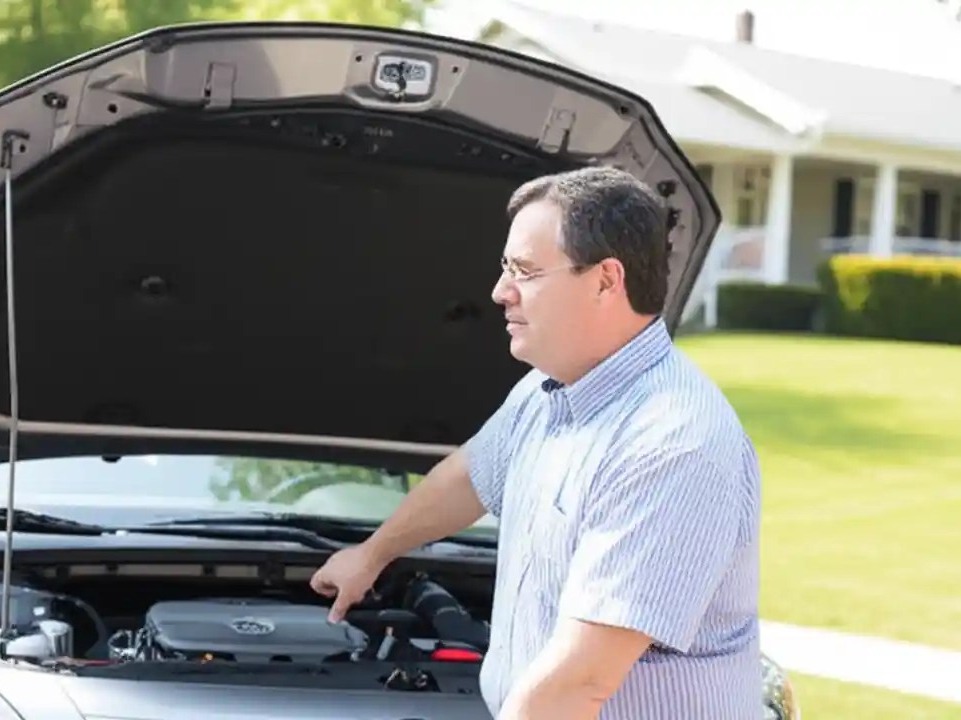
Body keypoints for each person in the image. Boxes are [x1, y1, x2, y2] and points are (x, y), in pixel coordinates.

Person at [309, 165, 762, 719]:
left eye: (524, 271)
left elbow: (579, 681)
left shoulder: (673, 446)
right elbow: (469, 475)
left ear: (604, 281)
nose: (501, 292)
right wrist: (372, 554)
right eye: (506, 268)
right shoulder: (545, 392)